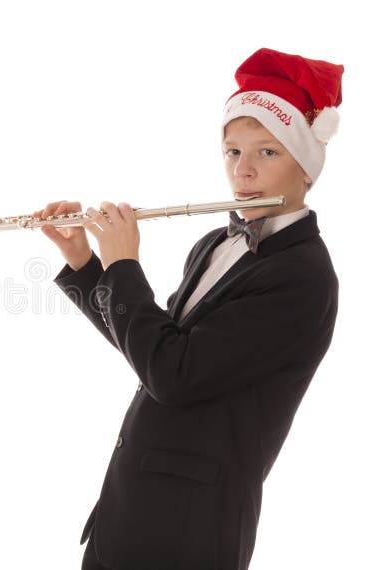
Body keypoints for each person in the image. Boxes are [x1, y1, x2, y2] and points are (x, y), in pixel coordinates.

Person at [38, 48, 343, 569]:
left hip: (190, 535)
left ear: (307, 168)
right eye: (231, 152)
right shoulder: (212, 244)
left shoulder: (304, 277)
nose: (242, 171)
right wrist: (87, 264)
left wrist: (124, 266)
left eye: (266, 152)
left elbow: (172, 374)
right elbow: (154, 345)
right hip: (126, 516)